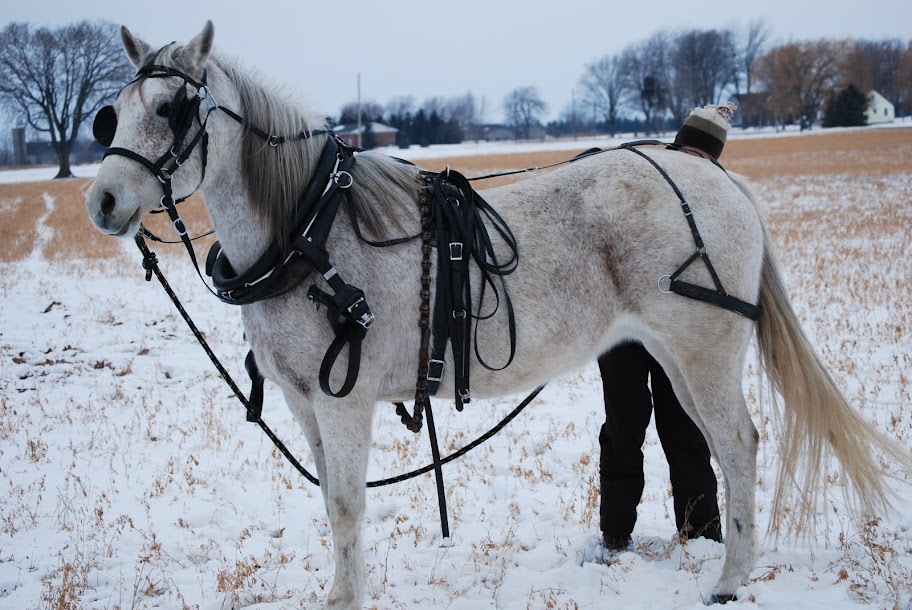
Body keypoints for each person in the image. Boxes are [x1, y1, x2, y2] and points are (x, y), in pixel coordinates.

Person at [598, 103, 737, 551]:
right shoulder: (646, 169)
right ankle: (616, 532)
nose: (692, 162)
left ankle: (699, 533)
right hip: (624, 326)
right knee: (623, 427)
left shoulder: (719, 195)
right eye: (687, 151)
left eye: (702, 157)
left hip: (680, 329)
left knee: (684, 429)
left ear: (714, 160)